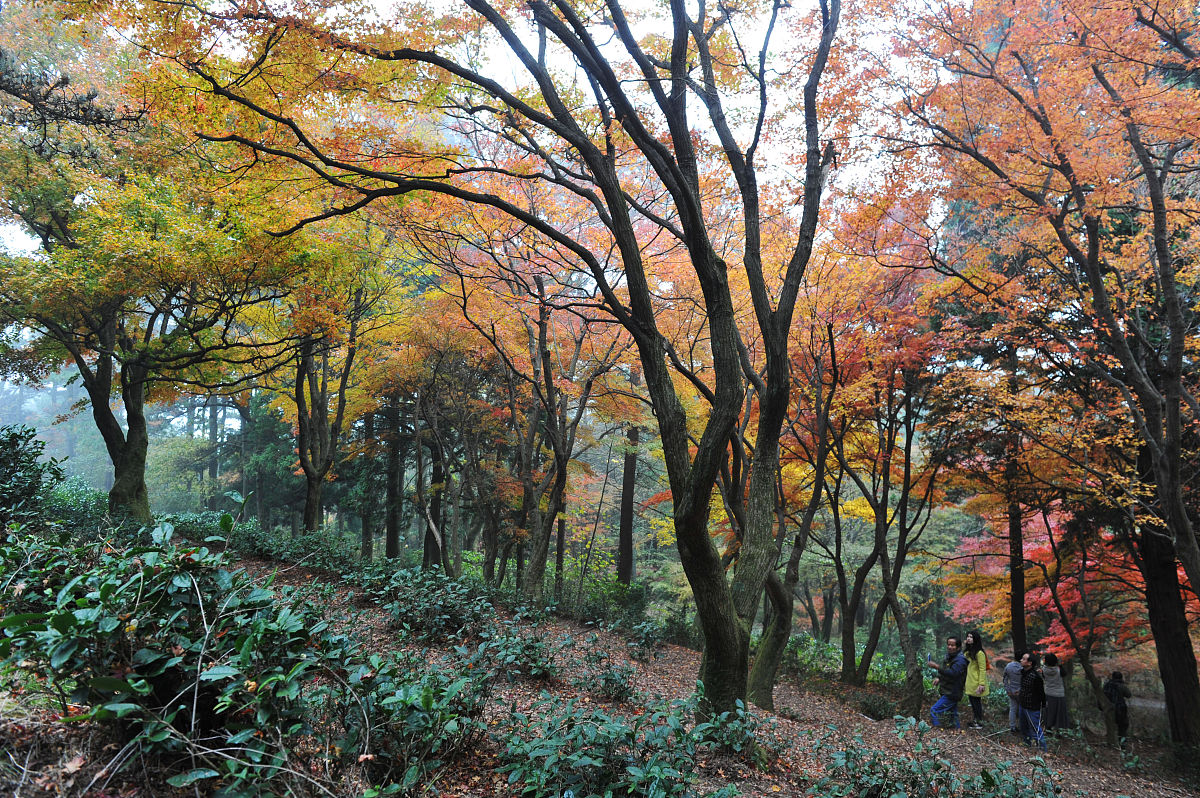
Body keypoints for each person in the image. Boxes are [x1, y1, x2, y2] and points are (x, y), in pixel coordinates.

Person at [927, 635, 968, 729]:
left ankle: (936, 731)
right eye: (948, 644)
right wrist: (939, 678)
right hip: (947, 689)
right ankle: (957, 731)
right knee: (953, 714)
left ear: (958, 647)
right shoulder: (949, 657)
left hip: (952, 692)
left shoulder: (960, 660)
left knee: (935, 710)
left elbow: (953, 673)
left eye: (952, 645)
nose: (950, 647)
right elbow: (945, 670)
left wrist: (936, 667)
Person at [1017, 651, 1047, 751]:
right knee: (1024, 728)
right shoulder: (1023, 673)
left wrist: (1042, 705)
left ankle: (1043, 751)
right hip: (1023, 705)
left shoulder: (1035, 677)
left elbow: (1041, 693)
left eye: (1024, 659)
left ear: (1030, 663)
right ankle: (1027, 746)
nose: (1021, 660)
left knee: (1035, 730)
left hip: (1032, 708)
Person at [963, 629, 989, 729]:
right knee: (973, 703)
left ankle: (979, 722)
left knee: (976, 703)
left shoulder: (979, 653)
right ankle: (975, 721)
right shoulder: (968, 652)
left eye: (971, 637)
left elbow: (983, 669)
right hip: (970, 680)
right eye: (968, 636)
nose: (968, 639)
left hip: (977, 682)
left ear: (976, 639)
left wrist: (981, 684)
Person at [1041, 652, 1070, 733]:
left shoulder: (1044, 669)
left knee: (1049, 712)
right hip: (1059, 694)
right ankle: (1059, 731)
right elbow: (1065, 674)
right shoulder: (1059, 670)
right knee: (1059, 713)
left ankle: (1048, 729)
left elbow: (1043, 677)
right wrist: (1060, 665)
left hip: (1048, 693)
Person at [1103, 671, 1132, 743]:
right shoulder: (1121, 686)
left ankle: (1112, 742)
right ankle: (1122, 744)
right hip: (1120, 709)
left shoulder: (1107, 685)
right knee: (1123, 727)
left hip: (1108, 708)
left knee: (1111, 726)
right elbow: (1129, 695)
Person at [1003, 653, 1024, 733]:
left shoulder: (1009, 666)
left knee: (1013, 709)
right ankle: (1022, 726)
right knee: (1022, 709)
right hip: (1021, 692)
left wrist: (1008, 690)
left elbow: (1005, 679)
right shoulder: (1024, 668)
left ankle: (1012, 727)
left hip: (1011, 691)